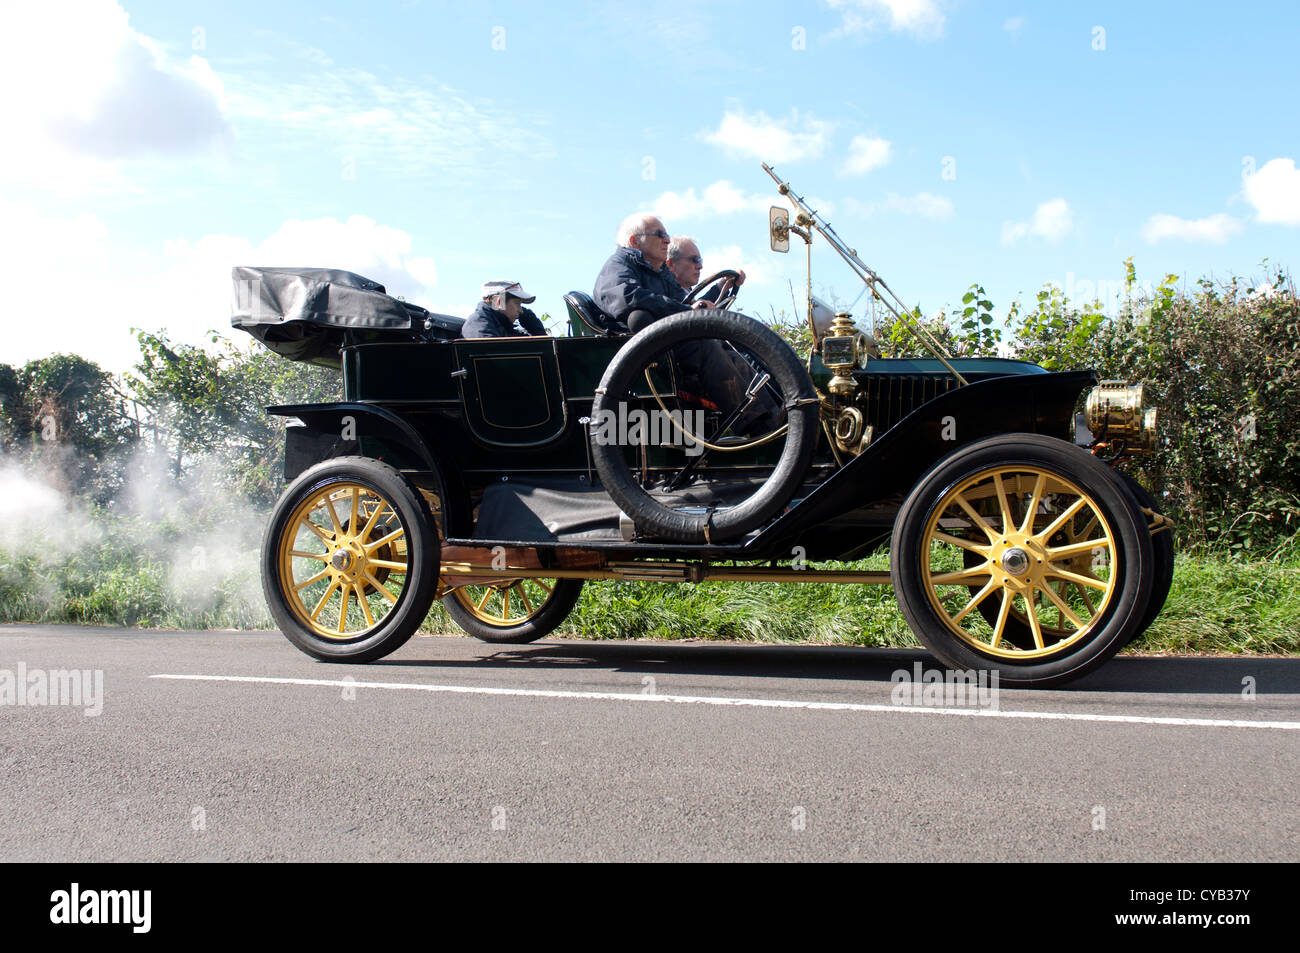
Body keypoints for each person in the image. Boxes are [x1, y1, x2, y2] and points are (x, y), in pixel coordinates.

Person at [593, 214, 717, 333]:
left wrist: (717, 291)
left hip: (668, 342)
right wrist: (687, 312)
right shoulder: (616, 266)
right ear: (635, 241)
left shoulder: (660, 272)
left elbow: (683, 301)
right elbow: (631, 299)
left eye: (667, 235)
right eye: (660, 235)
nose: (667, 240)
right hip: (639, 345)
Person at [666, 236, 744, 305]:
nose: (700, 266)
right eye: (694, 260)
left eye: (700, 261)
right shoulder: (664, 298)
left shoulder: (685, 297)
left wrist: (723, 286)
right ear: (671, 264)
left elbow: (700, 310)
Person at [460, 281, 549, 338]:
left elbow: (541, 348)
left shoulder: (503, 327)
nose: (521, 311)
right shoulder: (479, 324)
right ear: (499, 302)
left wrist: (530, 320)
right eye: (517, 303)